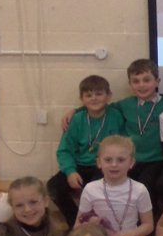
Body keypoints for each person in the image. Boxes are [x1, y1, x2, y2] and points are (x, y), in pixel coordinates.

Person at [78, 136, 155, 236]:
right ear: (99, 162)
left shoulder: (140, 190)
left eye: (120, 160)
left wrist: (131, 234)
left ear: (131, 163)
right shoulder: (90, 189)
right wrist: (90, 227)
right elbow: (78, 225)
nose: (114, 164)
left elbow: (148, 225)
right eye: (108, 160)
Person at [48, 75, 126, 227]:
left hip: (104, 166)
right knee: (53, 187)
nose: (94, 98)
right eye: (88, 95)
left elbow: (123, 145)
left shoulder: (116, 116)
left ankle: (96, 227)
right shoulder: (77, 119)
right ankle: (75, 225)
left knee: (93, 190)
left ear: (108, 95)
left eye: (99, 94)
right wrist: (70, 172)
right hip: (79, 165)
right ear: (82, 99)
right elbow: (64, 150)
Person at [117, 59, 163, 218]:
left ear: (157, 81)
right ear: (130, 84)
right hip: (133, 160)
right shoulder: (125, 104)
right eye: (136, 81)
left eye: (146, 80)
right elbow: (100, 107)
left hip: (156, 159)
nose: (141, 85)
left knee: (145, 186)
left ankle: (150, 223)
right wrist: (75, 111)